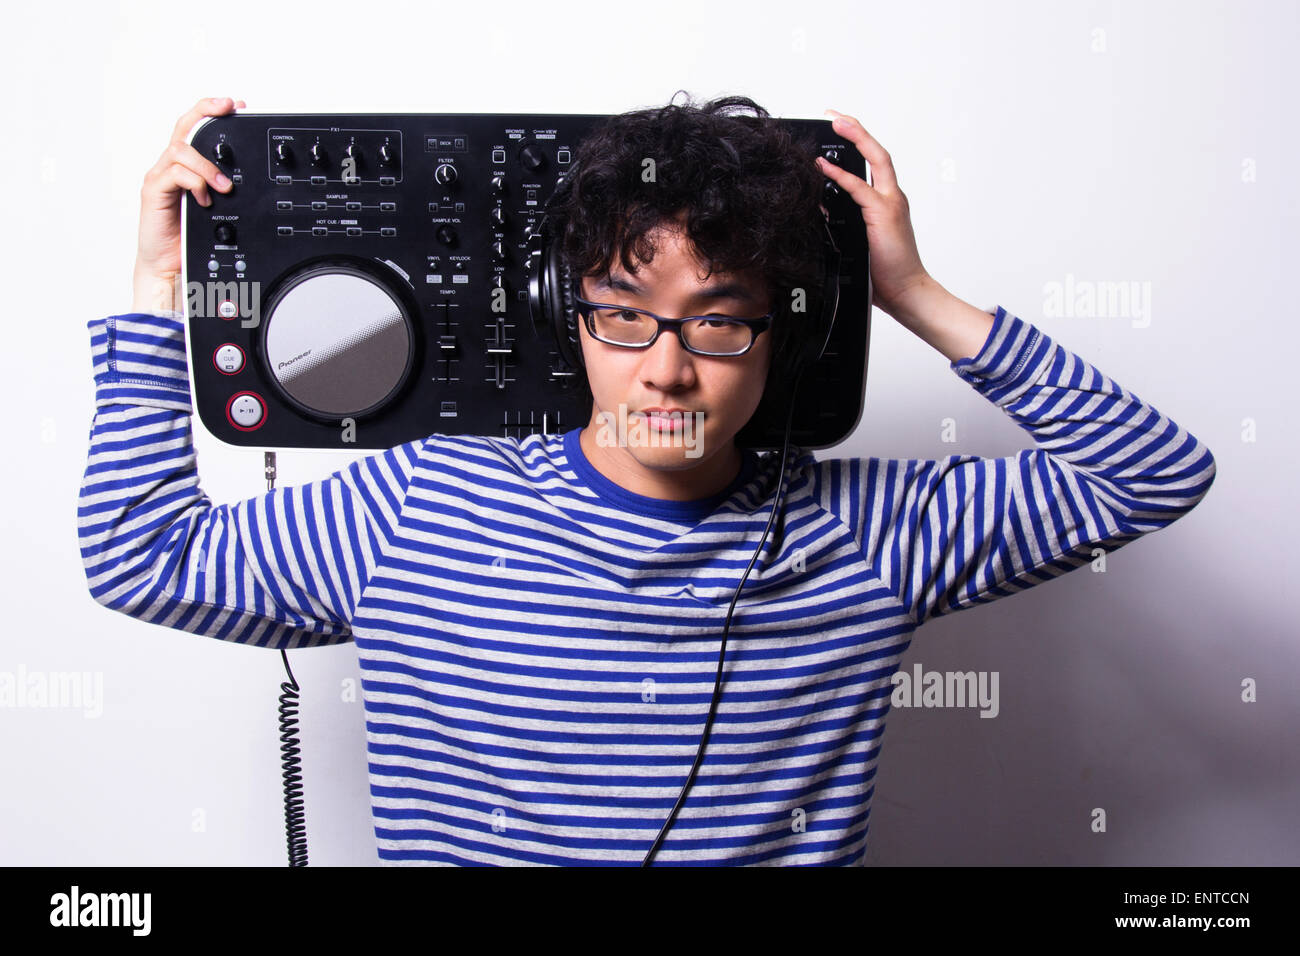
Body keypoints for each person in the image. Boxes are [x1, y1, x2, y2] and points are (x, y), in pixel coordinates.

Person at [79, 93, 1217, 866]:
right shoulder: (416, 505)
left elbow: (1153, 472)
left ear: (788, 335)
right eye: (625, 316)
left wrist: (910, 291)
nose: (666, 367)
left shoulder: (879, 528)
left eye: (719, 321)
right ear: (566, 318)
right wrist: (154, 287)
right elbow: (139, 555)